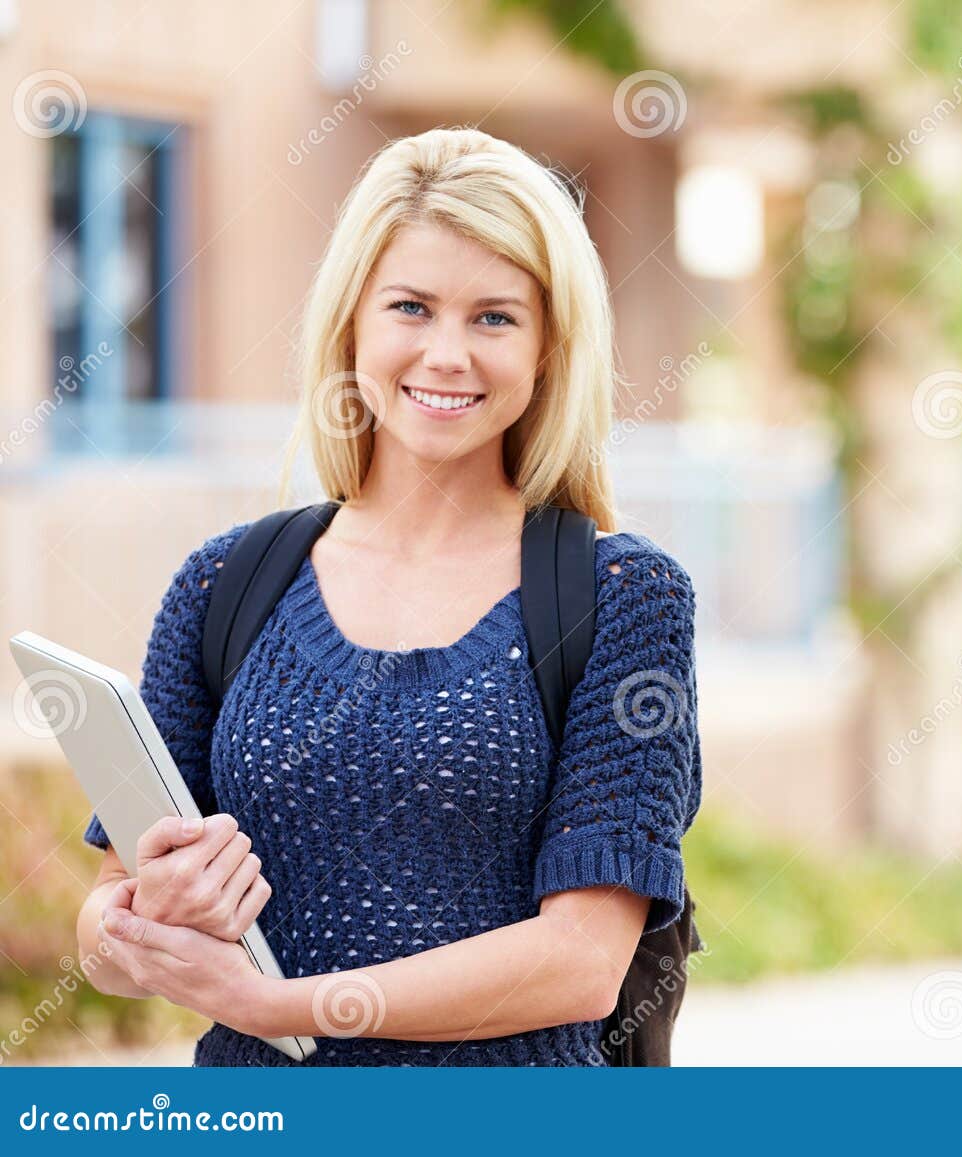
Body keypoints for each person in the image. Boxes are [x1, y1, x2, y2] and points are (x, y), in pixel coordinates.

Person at [72, 126, 702, 1066]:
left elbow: (581, 963)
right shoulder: (227, 584)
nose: (447, 354)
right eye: (411, 306)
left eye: (495, 318)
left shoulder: (623, 600)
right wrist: (145, 920)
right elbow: (105, 934)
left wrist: (283, 1002)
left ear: (545, 353)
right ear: (353, 324)